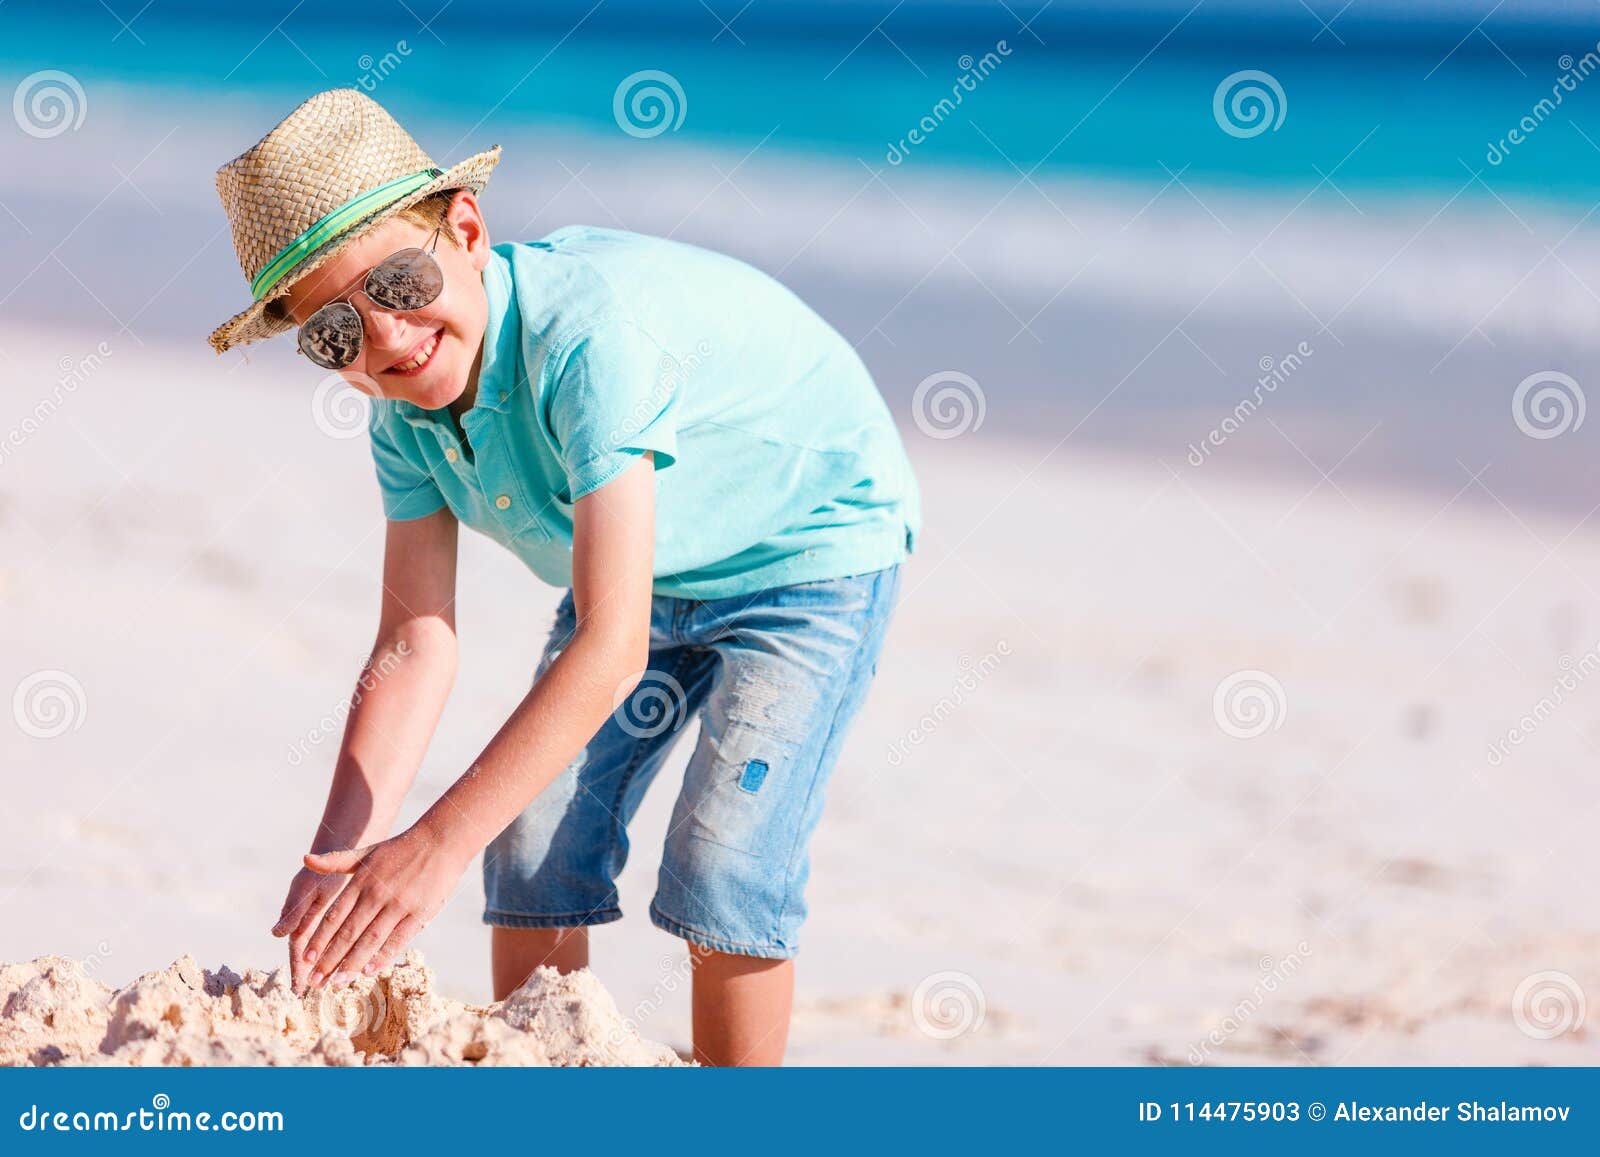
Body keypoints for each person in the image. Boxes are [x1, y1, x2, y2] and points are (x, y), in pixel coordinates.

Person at [209, 88, 919, 1066]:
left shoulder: (588, 341)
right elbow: (415, 641)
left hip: (807, 545)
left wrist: (435, 843)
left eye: (399, 282)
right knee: (531, 842)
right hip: (653, 563)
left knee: (723, 861)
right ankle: (548, 1079)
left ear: (464, 228)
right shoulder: (402, 418)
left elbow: (612, 644)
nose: (386, 338)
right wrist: (340, 853)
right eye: (332, 333)